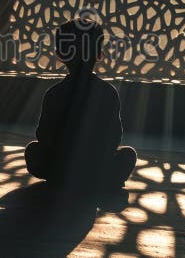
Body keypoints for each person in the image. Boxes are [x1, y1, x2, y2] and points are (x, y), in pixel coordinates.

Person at [25, 18, 136, 190]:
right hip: (96, 167)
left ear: (61, 55)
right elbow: (115, 136)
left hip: (60, 167)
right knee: (128, 154)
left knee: (33, 151)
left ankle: (64, 178)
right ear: (99, 54)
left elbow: (43, 135)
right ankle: (101, 178)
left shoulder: (54, 93)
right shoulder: (108, 92)